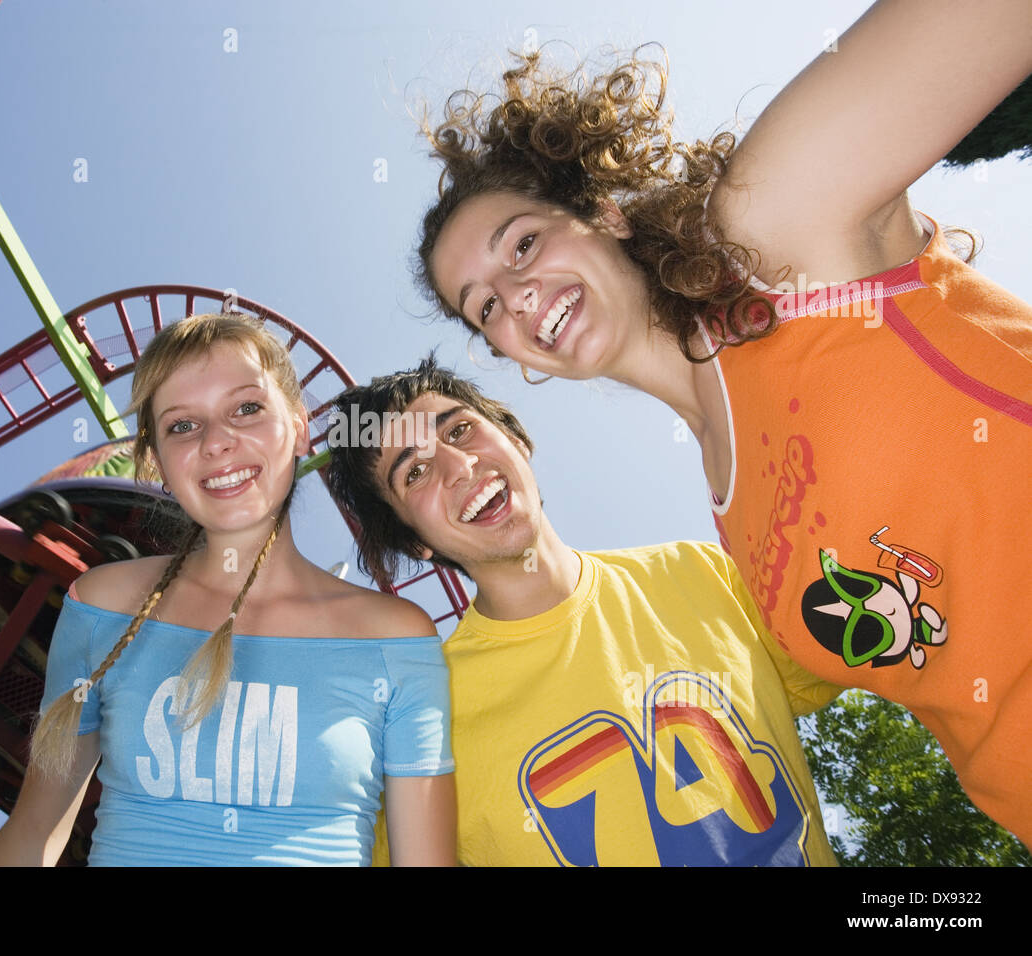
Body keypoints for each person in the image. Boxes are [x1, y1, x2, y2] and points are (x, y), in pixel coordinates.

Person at [413, 0, 1032, 842]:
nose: (514, 296)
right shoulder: (731, 525)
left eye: (521, 245)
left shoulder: (776, 246)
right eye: (483, 306)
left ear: (604, 213)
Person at [0, 314, 455, 866]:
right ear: (156, 460)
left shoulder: (396, 638)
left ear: (299, 428)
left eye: (247, 409)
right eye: (183, 425)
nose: (218, 442)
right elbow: (36, 829)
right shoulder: (102, 606)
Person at [325, 357, 840, 866]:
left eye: (459, 430)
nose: (459, 467)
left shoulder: (704, 575)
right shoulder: (419, 725)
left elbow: (883, 641)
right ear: (415, 543)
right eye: (415, 473)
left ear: (516, 439)